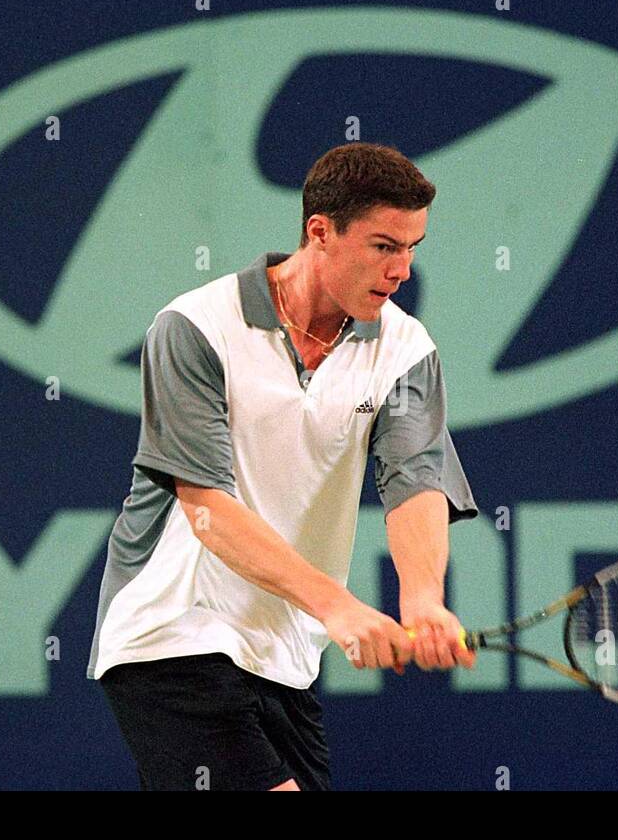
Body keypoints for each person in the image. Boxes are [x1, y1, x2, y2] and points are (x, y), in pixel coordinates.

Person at [87, 142, 478, 791]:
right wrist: (340, 607)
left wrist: (423, 599)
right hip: (172, 631)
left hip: (284, 653)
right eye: (385, 246)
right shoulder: (195, 327)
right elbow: (207, 509)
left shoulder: (406, 348)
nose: (404, 269)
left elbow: (415, 480)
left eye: (413, 247)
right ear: (319, 232)